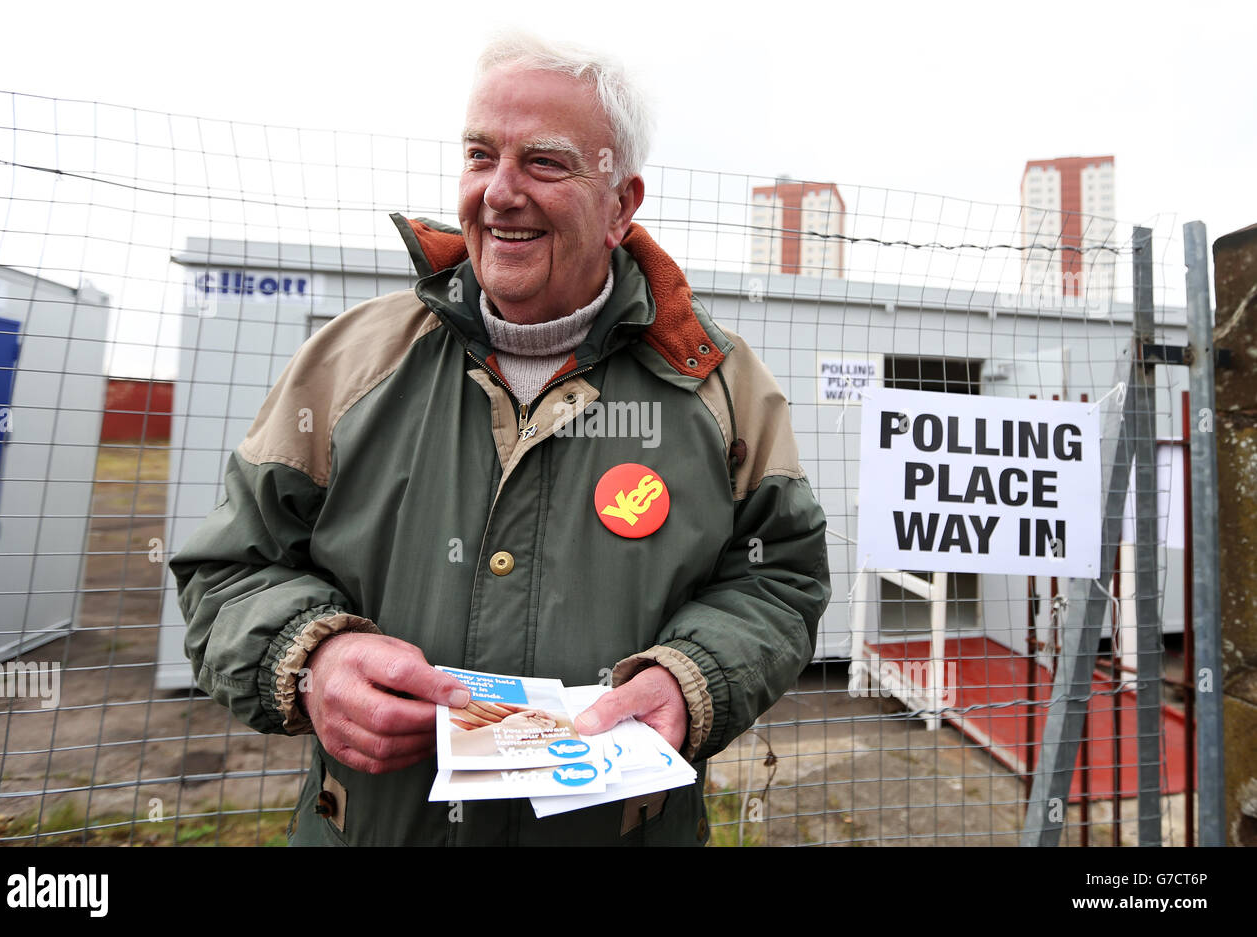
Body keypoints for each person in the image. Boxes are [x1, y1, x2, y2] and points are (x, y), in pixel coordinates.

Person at [171, 31, 830, 846]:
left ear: (621, 203)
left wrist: (692, 677)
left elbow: (780, 582)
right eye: (481, 155)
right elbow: (229, 568)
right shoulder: (348, 364)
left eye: (544, 163)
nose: (499, 192)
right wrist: (309, 660)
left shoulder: (721, 390)